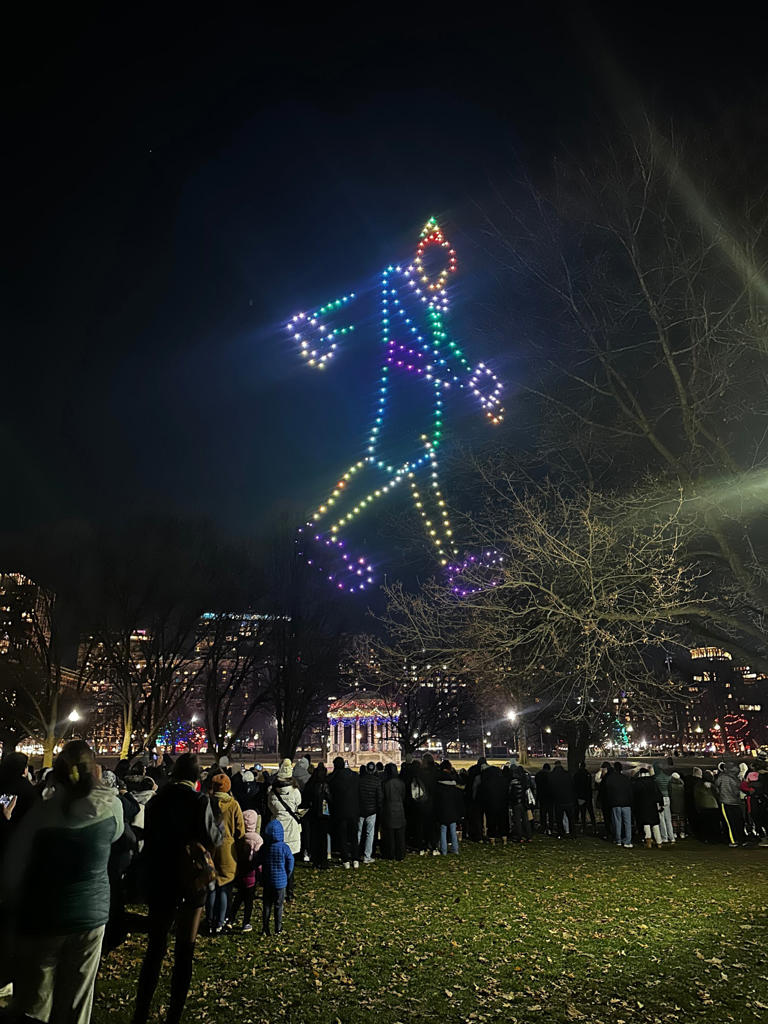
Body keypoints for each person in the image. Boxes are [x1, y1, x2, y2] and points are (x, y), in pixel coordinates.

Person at [4, 740, 123, 1024]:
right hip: (91, 918)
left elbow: (13, 867)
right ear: (94, 770)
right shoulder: (112, 808)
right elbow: (117, 836)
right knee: (77, 1000)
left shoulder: (42, 814)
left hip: (46, 917)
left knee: (37, 1000)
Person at [132, 753, 221, 1024]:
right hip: (190, 878)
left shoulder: (157, 801)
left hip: (160, 877)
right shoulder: (198, 800)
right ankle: (174, 1014)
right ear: (196, 777)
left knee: (155, 947)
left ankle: (141, 1011)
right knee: (185, 949)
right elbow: (213, 836)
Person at [206, 772, 245, 932]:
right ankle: (220, 922)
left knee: (211, 886)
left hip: (210, 848)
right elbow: (240, 829)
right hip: (228, 849)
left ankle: (209, 920)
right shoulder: (233, 805)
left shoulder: (207, 802)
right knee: (225, 886)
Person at [268, 759, 303, 898]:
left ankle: (277, 889)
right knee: (290, 862)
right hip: (291, 827)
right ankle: (290, 890)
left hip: (277, 827)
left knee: (277, 861)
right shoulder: (295, 792)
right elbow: (298, 804)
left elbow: (271, 808)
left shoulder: (272, 792)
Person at [228, 809, 262, 932]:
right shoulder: (258, 839)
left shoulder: (240, 838)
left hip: (240, 872)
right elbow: (259, 859)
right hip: (251, 875)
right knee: (249, 901)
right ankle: (246, 922)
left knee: (238, 898)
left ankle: (230, 918)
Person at [260, 819, 294, 937]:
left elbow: (259, 861)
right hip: (280, 882)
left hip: (267, 880)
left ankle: (265, 928)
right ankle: (278, 928)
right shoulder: (284, 848)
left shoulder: (265, 847)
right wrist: (287, 875)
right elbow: (290, 862)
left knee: (267, 905)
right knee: (279, 905)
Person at [328, 756, 360, 868]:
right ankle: (355, 859)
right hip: (353, 810)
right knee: (353, 836)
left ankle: (346, 860)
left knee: (342, 836)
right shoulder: (355, 776)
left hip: (340, 811)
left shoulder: (332, 778)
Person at [302, 763, 332, 868]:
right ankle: (323, 861)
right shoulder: (326, 784)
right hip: (324, 814)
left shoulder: (311, 784)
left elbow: (305, 798)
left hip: (313, 813)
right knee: (323, 838)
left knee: (314, 837)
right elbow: (330, 798)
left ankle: (315, 860)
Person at [714, 762, 746, 847]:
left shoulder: (722, 777)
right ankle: (741, 839)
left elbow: (716, 786)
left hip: (726, 802)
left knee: (729, 823)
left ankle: (733, 840)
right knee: (739, 821)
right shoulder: (736, 777)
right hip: (736, 802)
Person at [435, 760, 463, 854]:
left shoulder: (438, 785)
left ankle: (444, 850)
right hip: (452, 810)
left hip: (442, 810)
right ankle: (455, 849)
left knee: (443, 830)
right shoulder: (453, 785)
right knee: (453, 830)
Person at [357, 761, 382, 863]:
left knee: (358, 833)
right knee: (369, 834)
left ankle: (356, 855)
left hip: (360, 810)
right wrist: (378, 808)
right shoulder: (377, 781)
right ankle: (367, 856)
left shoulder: (360, 780)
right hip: (372, 811)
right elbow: (379, 797)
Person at [603, 762, 633, 848]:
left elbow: (608, 792)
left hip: (615, 803)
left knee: (617, 822)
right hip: (626, 803)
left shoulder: (610, 779)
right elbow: (630, 791)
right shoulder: (625, 779)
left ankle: (618, 840)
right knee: (627, 823)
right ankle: (628, 841)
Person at [381, 762, 407, 860]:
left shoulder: (385, 783)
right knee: (400, 834)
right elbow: (403, 796)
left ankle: (390, 854)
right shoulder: (401, 783)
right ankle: (400, 854)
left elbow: (382, 797)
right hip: (399, 808)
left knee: (389, 834)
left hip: (388, 808)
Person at [633, 766, 663, 848]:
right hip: (653, 806)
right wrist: (660, 804)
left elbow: (635, 795)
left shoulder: (638, 783)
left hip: (643, 806)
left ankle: (648, 841)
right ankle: (659, 841)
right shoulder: (653, 782)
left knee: (646, 823)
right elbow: (658, 794)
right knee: (655, 824)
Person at [549, 762, 576, 839]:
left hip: (559, 800)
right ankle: (572, 833)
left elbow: (551, 788)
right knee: (570, 818)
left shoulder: (552, 776)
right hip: (568, 799)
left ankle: (561, 833)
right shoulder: (567, 775)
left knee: (559, 819)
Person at [694, 769, 721, 843]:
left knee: (706, 824)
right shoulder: (713, 785)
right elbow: (717, 794)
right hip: (714, 806)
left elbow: (697, 797)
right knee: (715, 824)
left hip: (704, 806)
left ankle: (706, 838)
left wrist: (698, 807)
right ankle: (715, 838)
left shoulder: (698, 786)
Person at [508, 762, 533, 843]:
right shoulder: (525, 781)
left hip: (516, 803)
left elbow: (510, 792)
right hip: (524, 802)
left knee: (517, 820)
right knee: (526, 820)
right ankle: (529, 836)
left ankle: (520, 837)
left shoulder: (513, 781)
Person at [652, 757, 675, 843]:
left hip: (660, 799)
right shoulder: (667, 777)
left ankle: (664, 837)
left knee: (661, 819)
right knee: (668, 818)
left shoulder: (656, 778)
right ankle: (671, 836)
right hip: (667, 797)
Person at [574, 761, 595, 834]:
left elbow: (575, 786)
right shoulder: (588, 774)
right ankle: (594, 827)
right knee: (591, 812)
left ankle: (584, 827)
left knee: (583, 813)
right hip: (588, 796)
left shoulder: (577, 775)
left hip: (581, 796)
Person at [535, 763, 555, 835]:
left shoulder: (538, 775)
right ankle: (550, 828)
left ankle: (543, 827)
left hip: (542, 796)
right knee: (550, 814)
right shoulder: (551, 775)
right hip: (550, 797)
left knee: (543, 813)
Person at [669, 771, 686, 840]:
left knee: (674, 819)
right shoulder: (682, 784)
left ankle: (675, 832)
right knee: (681, 819)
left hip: (673, 803)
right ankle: (682, 832)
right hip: (681, 804)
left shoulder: (670, 785)